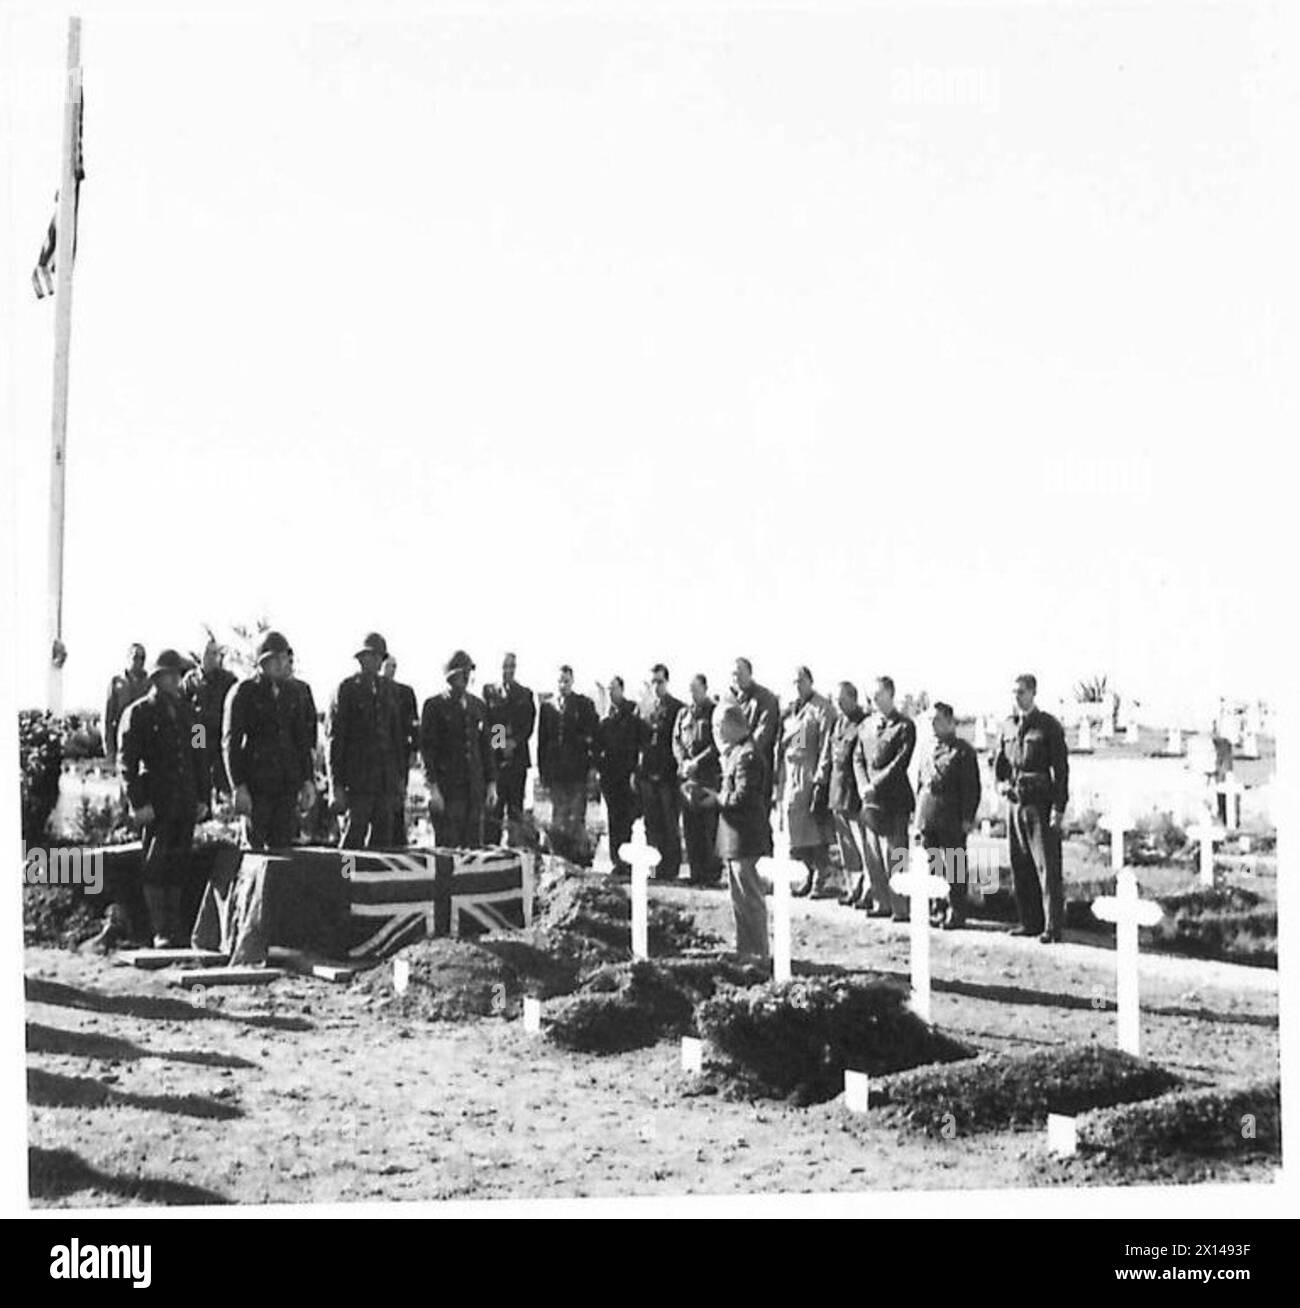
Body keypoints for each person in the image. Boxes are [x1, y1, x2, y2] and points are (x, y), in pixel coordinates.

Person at [118, 650, 209, 947]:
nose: (176, 681)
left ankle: (176, 926)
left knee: (180, 862)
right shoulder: (139, 713)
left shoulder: (191, 715)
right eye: (170, 675)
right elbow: (126, 762)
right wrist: (137, 803)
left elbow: (200, 757)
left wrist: (203, 797)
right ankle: (160, 930)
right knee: (156, 863)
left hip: (184, 799)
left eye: (178, 676)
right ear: (157, 678)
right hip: (157, 801)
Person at [993, 673, 1069, 943]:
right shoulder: (1008, 726)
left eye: (1022, 692)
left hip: (1039, 803)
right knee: (1020, 863)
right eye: (1014, 692)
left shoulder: (1047, 725)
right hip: (1015, 802)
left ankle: (1052, 926)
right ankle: (1029, 921)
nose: (1017, 697)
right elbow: (998, 763)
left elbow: (1061, 769)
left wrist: (1059, 808)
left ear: (1033, 693)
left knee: (1046, 865)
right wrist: (1000, 784)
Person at [223, 631, 316, 851]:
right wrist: (238, 786)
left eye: (283, 659)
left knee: (283, 849)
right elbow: (230, 742)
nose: (281, 664)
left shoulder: (294, 693)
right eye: (275, 659)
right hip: (257, 784)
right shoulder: (244, 692)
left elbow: (302, 740)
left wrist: (307, 779)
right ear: (261, 662)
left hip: (286, 782)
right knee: (254, 849)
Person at [697, 701, 771, 960]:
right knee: (739, 901)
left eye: (718, 726)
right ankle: (745, 951)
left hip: (745, 838)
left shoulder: (747, 755)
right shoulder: (736, 753)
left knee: (750, 899)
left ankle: (758, 953)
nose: (716, 732)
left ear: (731, 724)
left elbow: (743, 797)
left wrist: (716, 798)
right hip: (735, 838)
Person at [327, 632, 405, 849]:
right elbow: (336, 739)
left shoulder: (389, 690)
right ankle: (345, 880)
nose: (378, 662)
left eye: (381, 657)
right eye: (373, 656)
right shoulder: (347, 689)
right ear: (361, 658)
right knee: (353, 839)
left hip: (385, 781)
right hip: (358, 781)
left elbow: (397, 738)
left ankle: (375, 881)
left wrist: (400, 779)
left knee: (382, 840)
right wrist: (337, 783)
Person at [853, 675, 917, 920]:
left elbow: (899, 763)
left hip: (894, 800)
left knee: (896, 855)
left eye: (878, 695)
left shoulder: (904, 726)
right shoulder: (866, 726)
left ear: (891, 695)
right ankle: (882, 903)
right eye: (872, 696)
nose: (874, 700)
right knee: (873, 856)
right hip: (869, 801)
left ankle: (901, 907)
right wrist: (862, 784)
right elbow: (857, 758)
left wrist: (874, 785)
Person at [420, 650, 498, 848]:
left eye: (468, 674)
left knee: (473, 848)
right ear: (451, 676)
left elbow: (487, 747)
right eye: (462, 674)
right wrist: (433, 788)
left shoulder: (478, 706)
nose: (466, 679)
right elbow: (427, 752)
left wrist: (491, 784)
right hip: (449, 791)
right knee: (448, 849)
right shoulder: (435, 706)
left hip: (474, 789)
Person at [778, 666, 842, 898]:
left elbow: (826, 744)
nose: (798, 685)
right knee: (793, 831)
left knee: (814, 830)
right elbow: (785, 742)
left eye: (802, 680)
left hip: (810, 773)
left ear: (810, 681)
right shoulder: (791, 710)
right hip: (791, 773)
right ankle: (806, 873)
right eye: (794, 681)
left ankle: (821, 875)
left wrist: (821, 778)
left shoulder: (822, 708)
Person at [917, 702, 982, 929]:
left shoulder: (962, 751)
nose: (933, 725)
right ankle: (937, 908)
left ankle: (957, 910)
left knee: (955, 865)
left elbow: (972, 788)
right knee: (933, 863)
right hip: (928, 814)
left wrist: (967, 818)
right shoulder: (926, 747)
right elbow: (920, 782)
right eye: (930, 721)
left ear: (950, 722)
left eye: (937, 720)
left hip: (951, 816)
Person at [537, 665, 599, 866]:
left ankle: (577, 859)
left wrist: (589, 765)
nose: (562, 685)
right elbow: (541, 741)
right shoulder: (546, 707)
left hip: (575, 771)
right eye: (559, 681)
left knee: (575, 816)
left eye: (566, 681)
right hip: (552, 772)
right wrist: (502, 748)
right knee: (558, 816)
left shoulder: (582, 705)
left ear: (572, 681)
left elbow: (590, 736)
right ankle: (558, 859)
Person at [674, 674, 723, 885]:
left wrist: (698, 762)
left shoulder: (714, 712)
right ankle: (695, 873)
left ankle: (711, 874)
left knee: (708, 828)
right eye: (689, 690)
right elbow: (676, 740)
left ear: (705, 688)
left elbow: (717, 744)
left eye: (696, 689)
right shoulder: (684, 713)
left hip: (707, 777)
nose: (692, 694)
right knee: (690, 827)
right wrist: (683, 761)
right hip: (687, 779)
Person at [483, 653, 536, 845]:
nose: (508, 671)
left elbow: (527, 725)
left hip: (518, 760)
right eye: (505, 667)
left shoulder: (525, 694)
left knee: (515, 809)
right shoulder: (490, 692)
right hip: (496, 761)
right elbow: (490, 721)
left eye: (512, 667)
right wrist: (501, 743)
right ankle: (492, 851)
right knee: (494, 812)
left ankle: (515, 850)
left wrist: (513, 743)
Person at [637, 664, 684, 882]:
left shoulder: (677, 708)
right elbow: (639, 741)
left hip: (667, 774)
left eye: (660, 682)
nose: (656, 686)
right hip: (647, 773)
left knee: (669, 823)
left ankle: (671, 868)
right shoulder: (644, 708)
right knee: (652, 824)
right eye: (653, 682)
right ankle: (654, 868)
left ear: (667, 682)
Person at [826, 681, 870, 907]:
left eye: (842, 699)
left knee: (861, 845)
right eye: (836, 700)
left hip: (854, 791)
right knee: (846, 846)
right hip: (837, 788)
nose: (839, 703)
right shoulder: (838, 723)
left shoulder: (864, 722)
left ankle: (867, 889)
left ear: (854, 698)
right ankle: (852, 886)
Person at [727, 657, 780, 843]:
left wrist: (739, 755)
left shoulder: (765, 698)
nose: (737, 677)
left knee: (758, 823)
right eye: (734, 674)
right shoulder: (731, 700)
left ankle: (762, 867)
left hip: (757, 770)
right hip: (734, 770)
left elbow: (763, 734)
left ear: (750, 673)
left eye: (740, 673)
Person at [595, 676, 640, 877]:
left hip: (627, 774)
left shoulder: (632, 711)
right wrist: (500, 751)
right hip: (559, 771)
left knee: (627, 819)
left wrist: (510, 745)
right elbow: (498, 724)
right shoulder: (494, 699)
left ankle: (627, 862)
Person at [187, 637, 238, 803]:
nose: (211, 657)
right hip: (198, 730)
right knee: (199, 767)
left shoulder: (228, 679)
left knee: (221, 768)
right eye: (208, 653)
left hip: (220, 730)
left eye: (215, 653)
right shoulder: (190, 679)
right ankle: (203, 805)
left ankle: (225, 803)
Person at [382, 654, 420, 843]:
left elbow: (501, 722)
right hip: (383, 759)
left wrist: (506, 746)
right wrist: (501, 746)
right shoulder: (494, 694)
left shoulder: (404, 693)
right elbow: (499, 721)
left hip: (516, 758)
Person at [103, 643, 150, 767]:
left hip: (146, 744)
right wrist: (110, 750)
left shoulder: (150, 684)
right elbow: (108, 719)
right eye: (135, 657)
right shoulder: (117, 683)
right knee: (126, 781)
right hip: (123, 741)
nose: (139, 661)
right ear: (128, 658)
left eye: (142, 658)